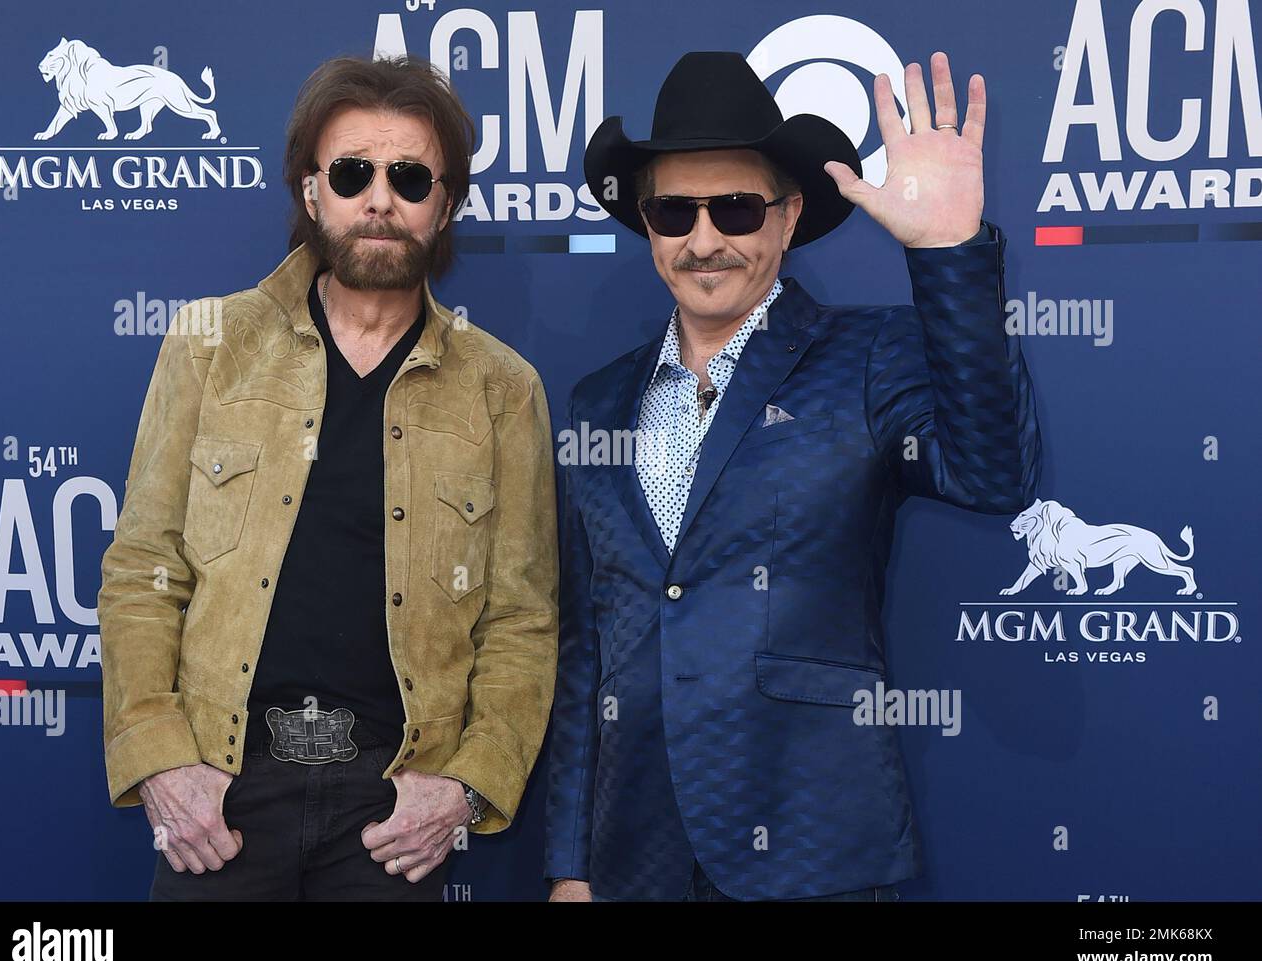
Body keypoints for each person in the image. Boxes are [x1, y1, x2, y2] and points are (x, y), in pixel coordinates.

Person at [544, 51, 1041, 901]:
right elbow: (587, 653)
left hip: (814, 848)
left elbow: (996, 476)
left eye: (736, 208)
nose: (705, 241)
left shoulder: (870, 357)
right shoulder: (596, 403)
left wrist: (952, 254)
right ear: (648, 225)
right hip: (637, 858)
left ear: (788, 214)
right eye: (673, 211)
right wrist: (569, 865)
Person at [99, 55, 558, 901]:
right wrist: (159, 756)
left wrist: (464, 788)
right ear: (312, 192)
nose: (379, 199)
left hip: (394, 817)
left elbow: (521, 622)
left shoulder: (503, 388)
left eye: (410, 177)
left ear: (446, 203)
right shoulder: (209, 345)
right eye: (352, 173)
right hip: (223, 798)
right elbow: (140, 572)